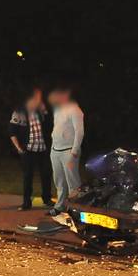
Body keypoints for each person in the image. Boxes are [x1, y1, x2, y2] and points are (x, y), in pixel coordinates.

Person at [8, 86, 53, 210]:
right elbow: (12, 131)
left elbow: (49, 127)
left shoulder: (40, 111)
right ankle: (26, 203)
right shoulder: (20, 111)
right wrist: (19, 148)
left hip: (42, 149)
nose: (40, 99)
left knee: (46, 174)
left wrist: (45, 112)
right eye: (37, 97)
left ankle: (47, 199)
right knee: (28, 176)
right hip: (28, 150)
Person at [48, 84, 85, 218]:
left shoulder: (75, 110)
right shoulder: (58, 110)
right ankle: (60, 206)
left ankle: (75, 209)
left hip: (68, 151)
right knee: (59, 181)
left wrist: (74, 151)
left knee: (72, 182)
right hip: (55, 150)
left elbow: (79, 132)